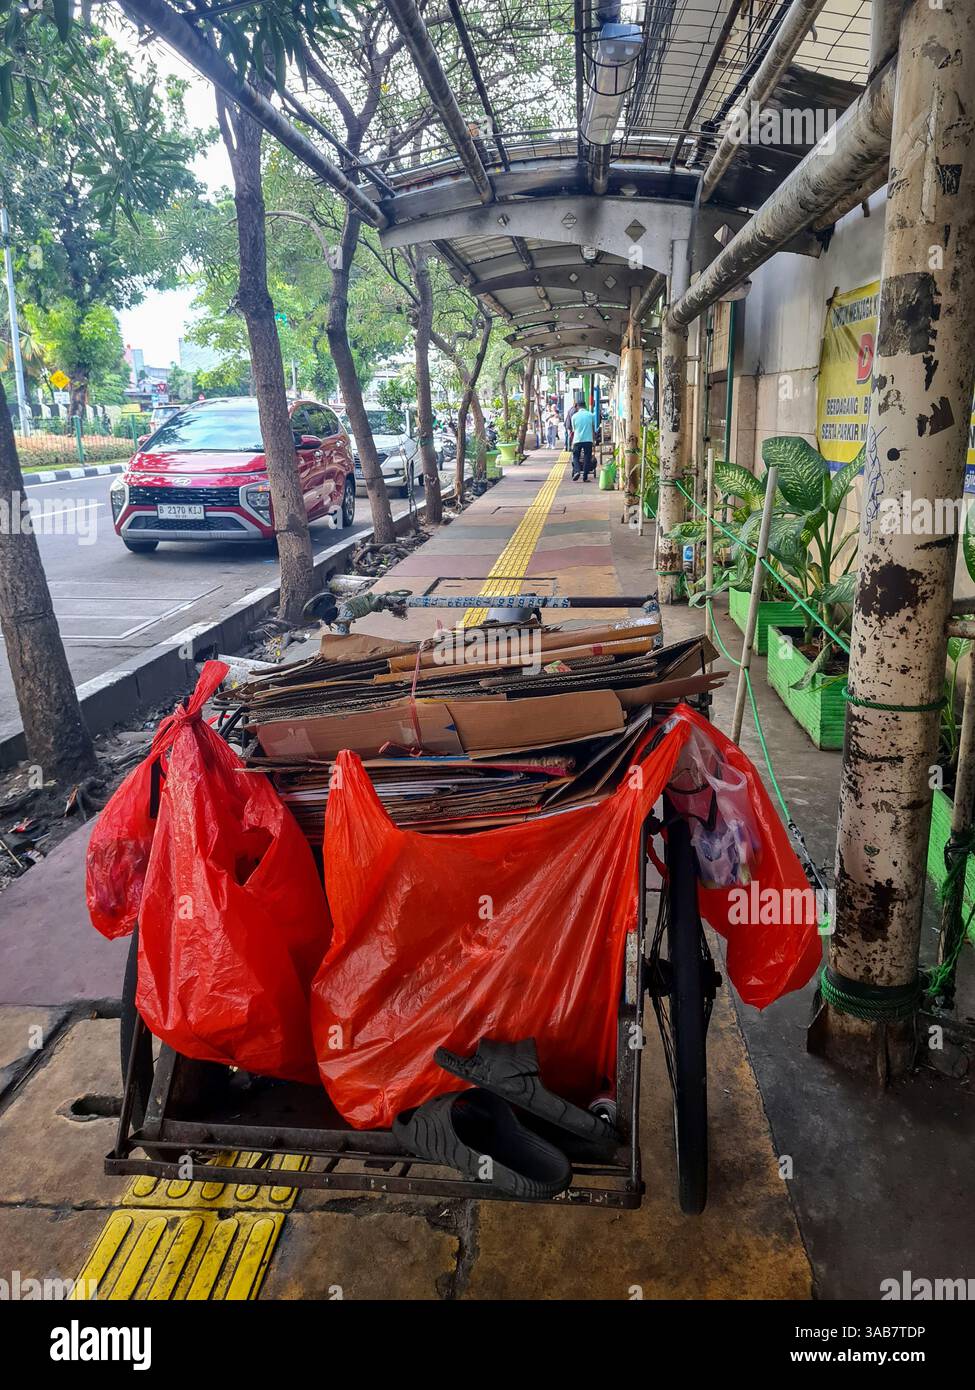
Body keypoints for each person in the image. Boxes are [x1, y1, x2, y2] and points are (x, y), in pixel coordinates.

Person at [569, 401, 597, 481]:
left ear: (577, 407)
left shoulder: (574, 416)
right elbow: (592, 428)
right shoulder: (591, 415)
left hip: (577, 440)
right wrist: (594, 440)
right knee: (587, 457)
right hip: (588, 440)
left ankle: (577, 471)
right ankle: (585, 477)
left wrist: (571, 443)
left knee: (576, 456)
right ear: (585, 406)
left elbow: (574, 430)